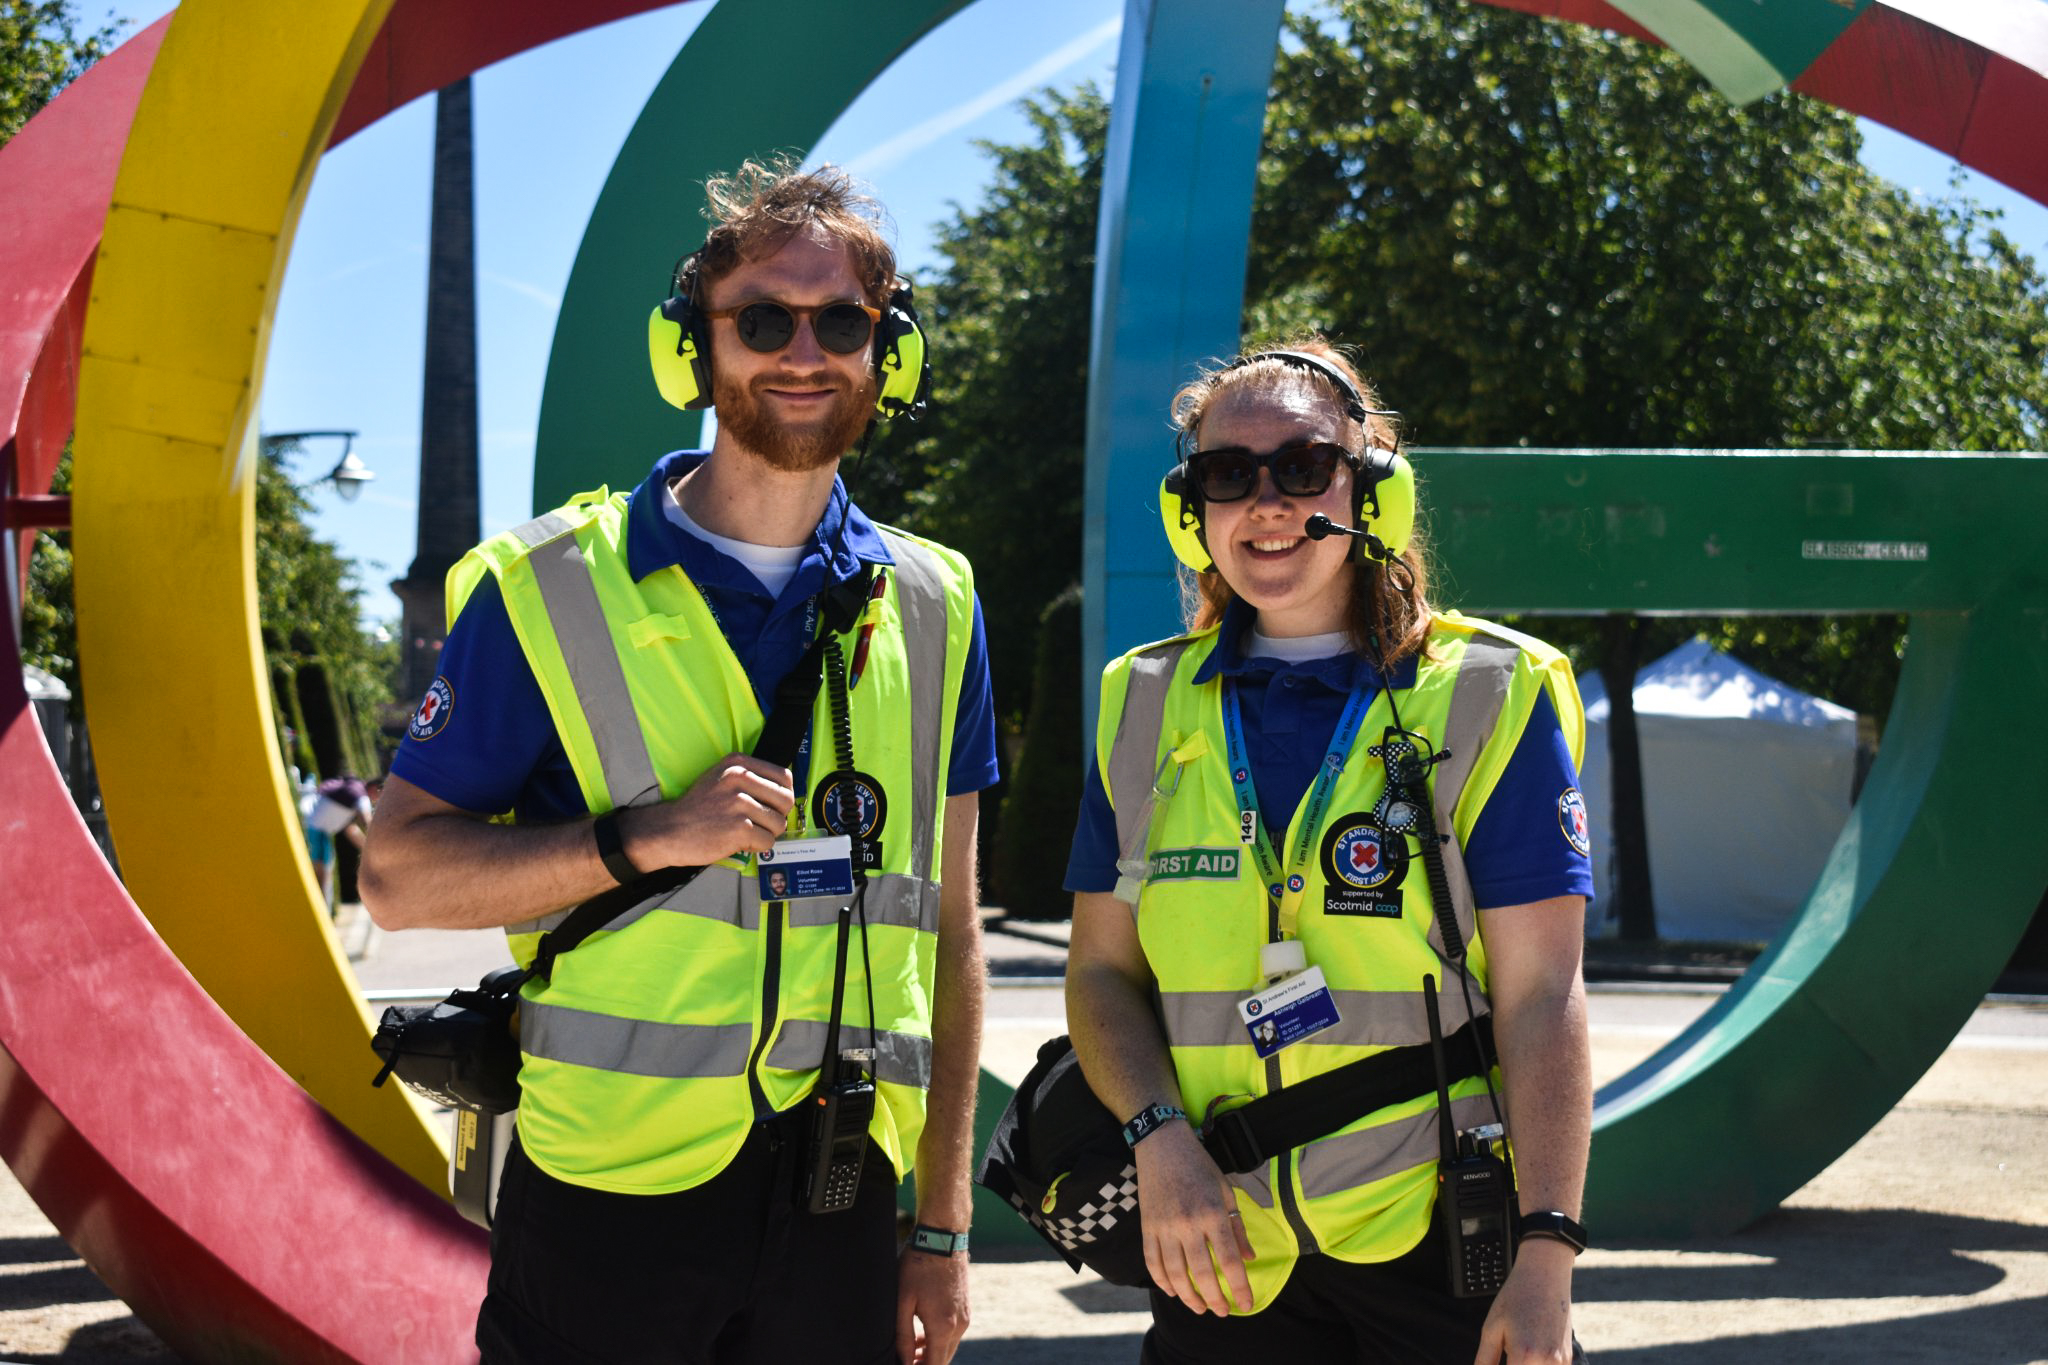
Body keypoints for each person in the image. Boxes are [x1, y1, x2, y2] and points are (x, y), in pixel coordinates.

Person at [361, 160, 996, 1365]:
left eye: (841, 323)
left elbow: (952, 937)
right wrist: (638, 841)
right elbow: (398, 879)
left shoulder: (938, 599)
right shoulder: (542, 586)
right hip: (607, 1185)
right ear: (692, 354)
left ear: (887, 354)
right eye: (761, 320)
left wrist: (944, 1222)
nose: (801, 352)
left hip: (845, 1192)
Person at [1063, 342, 1592, 1364]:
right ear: (1191, 510)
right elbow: (1097, 973)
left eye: (1303, 467)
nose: (1266, 503)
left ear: (1372, 496)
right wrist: (1155, 1138)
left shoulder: (1490, 690)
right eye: (1228, 474)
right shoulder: (1139, 700)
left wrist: (1547, 1251)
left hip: (1441, 1238)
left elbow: (1543, 993)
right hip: (1220, 1247)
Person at [301, 773, 374, 909]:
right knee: (321, 873)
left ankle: (322, 911)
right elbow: (367, 823)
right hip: (314, 829)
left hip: (319, 831)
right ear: (375, 788)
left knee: (325, 872)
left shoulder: (351, 791)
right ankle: (319, 912)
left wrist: (369, 851)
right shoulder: (361, 796)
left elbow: (350, 830)